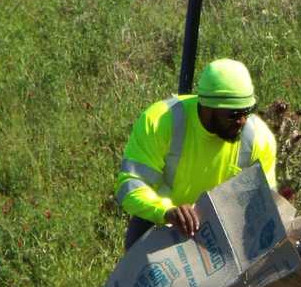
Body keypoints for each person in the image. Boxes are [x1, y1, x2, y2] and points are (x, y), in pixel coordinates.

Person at [115, 58, 278, 250]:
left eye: (247, 111)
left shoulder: (258, 138)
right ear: (208, 107)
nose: (241, 121)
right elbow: (131, 186)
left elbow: (265, 203)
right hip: (158, 225)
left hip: (222, 235)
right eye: (233, 114)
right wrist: (167, 212)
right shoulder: (161, 121)